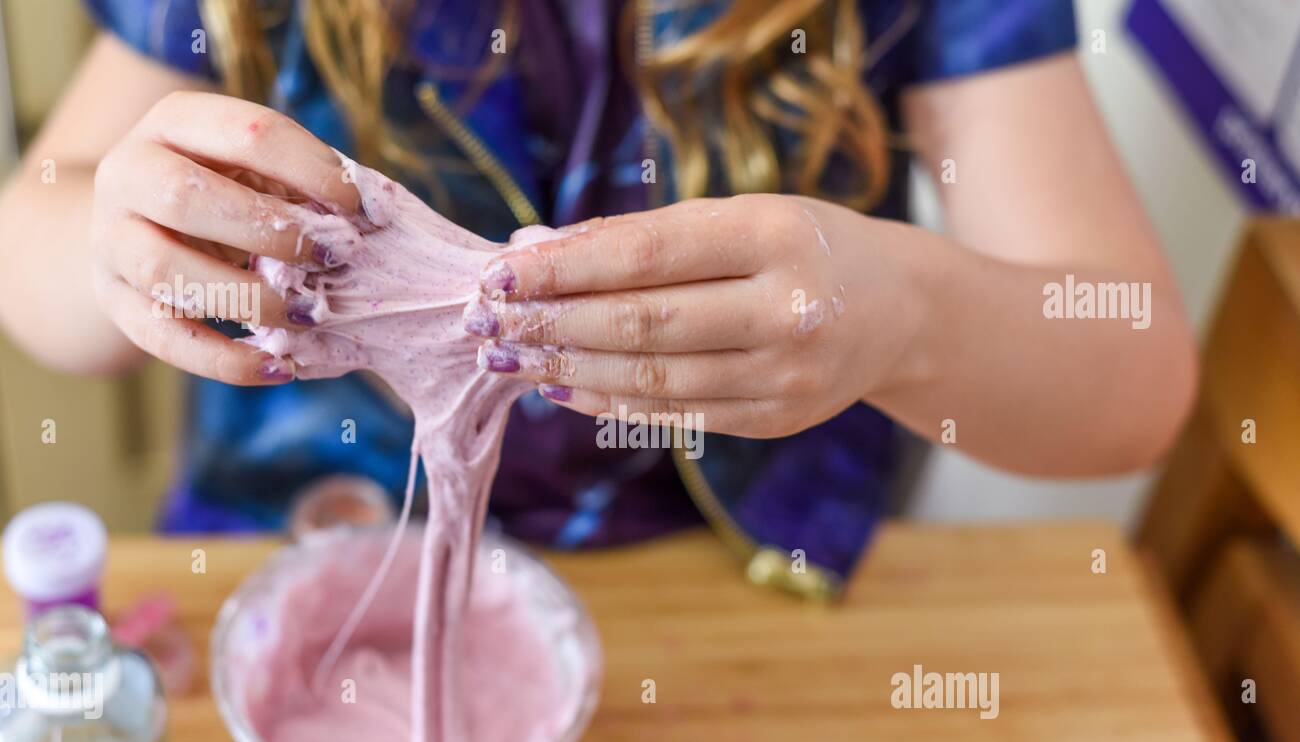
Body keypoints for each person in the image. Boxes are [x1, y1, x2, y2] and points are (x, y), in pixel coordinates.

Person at [0, 0, 1195, 592]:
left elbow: (1132, 378)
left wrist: (912, 316)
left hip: (716, 583)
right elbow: (30, 253)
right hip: (297, 552)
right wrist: (114, 231)